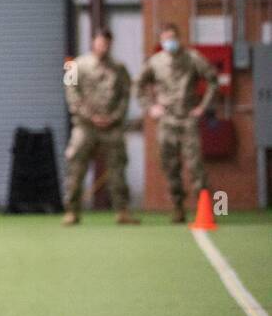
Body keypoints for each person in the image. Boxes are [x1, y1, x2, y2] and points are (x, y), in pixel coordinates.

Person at [133, 23, 219, 223]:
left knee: (196, 165)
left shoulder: (193, 58)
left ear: (179, 38)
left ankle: (205, 209)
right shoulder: (155, 62)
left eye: (172, 37)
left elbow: (213, 80)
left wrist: (203, 107)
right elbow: (138, 85)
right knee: (170, 165)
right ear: (161, 41)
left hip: (188, 118)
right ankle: (178, 207)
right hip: (166, 120)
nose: (169, 42)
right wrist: (150, 107)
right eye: (165, 39)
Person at [61, 28, 138, 225]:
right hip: (85, 126)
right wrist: (90, 116)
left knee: (118, 168)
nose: (103, 46)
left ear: (111, 44)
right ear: (93, 42)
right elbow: (71, 94)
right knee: (76, 166)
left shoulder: (119, 68)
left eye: (106, 43)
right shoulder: (75, 65)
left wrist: (114, 117)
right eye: (99, 42)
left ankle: (122, 211)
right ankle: (72, 211)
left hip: (111, 127)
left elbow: (125, 95)